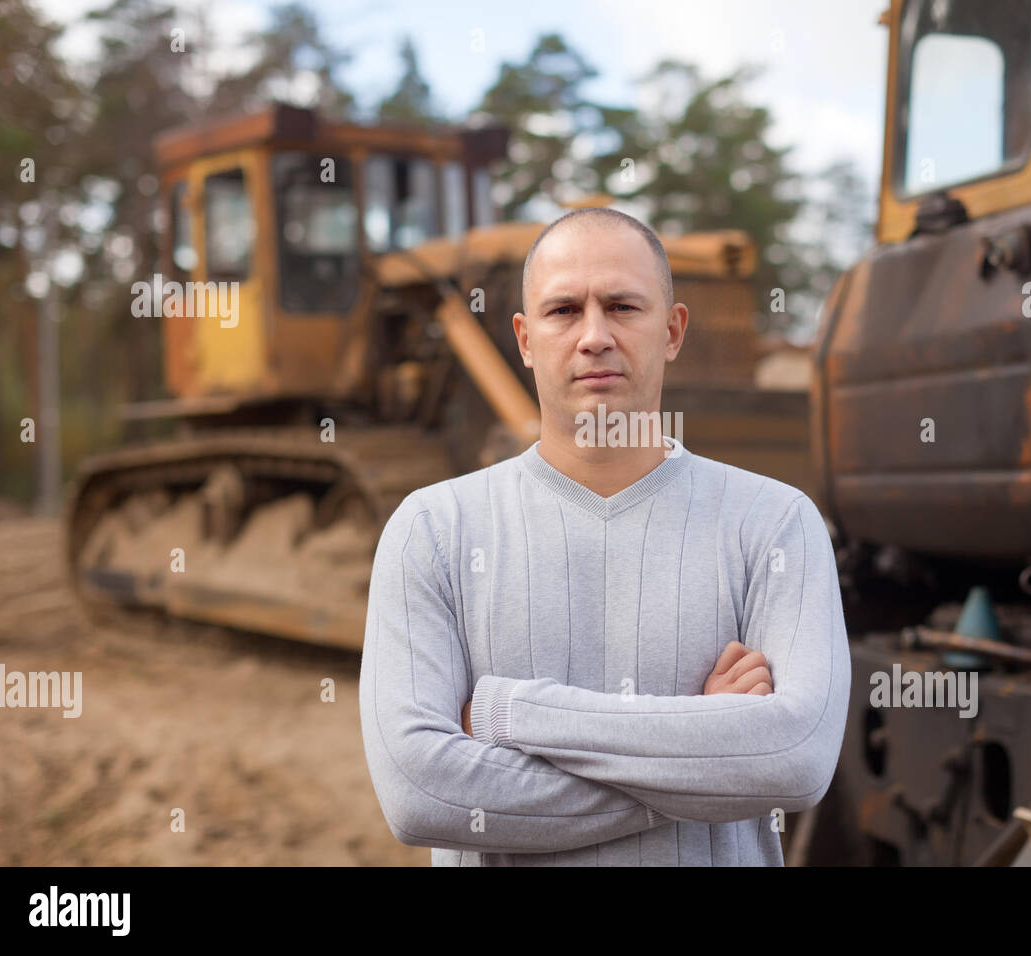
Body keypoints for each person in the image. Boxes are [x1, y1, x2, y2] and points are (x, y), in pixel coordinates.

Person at [358, 207, 850, 865]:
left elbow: (793, 760)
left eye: (622, 306)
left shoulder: (776, 525)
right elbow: (422, 794)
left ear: (672, 331)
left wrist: (508, 715)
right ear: (526, 339)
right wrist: (704, 757)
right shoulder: (434, 532)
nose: (594, 335)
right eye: (564, 311)